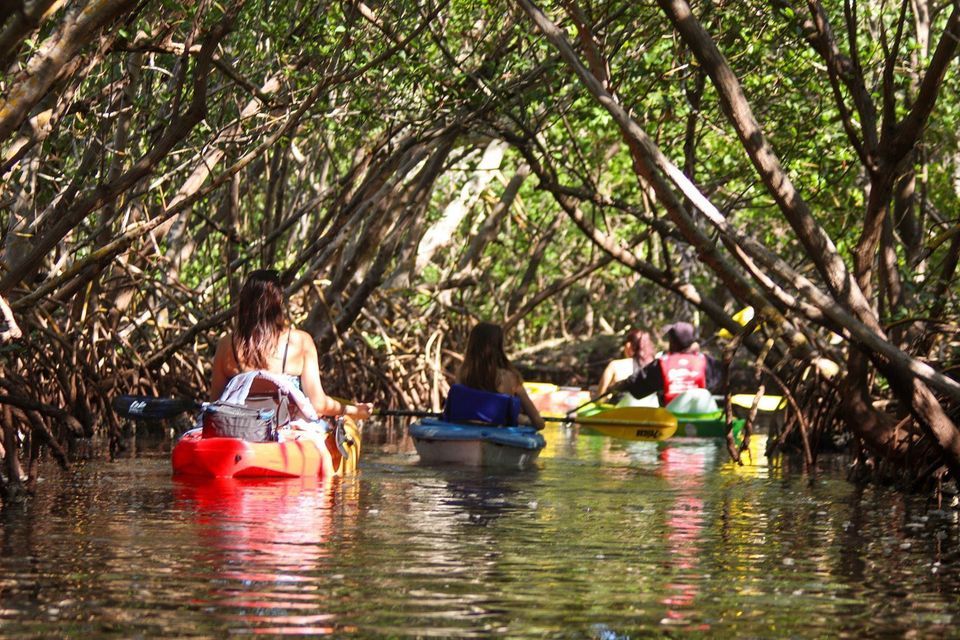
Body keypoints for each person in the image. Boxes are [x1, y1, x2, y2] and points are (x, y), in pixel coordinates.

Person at [210, 269, 372, 420]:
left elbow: (215, 404)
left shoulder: (226, 344)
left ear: (243, 304)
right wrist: (353, 410)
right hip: (283, 433)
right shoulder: (301, 342)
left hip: (237, 429)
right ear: (279, 302)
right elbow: (318, 404)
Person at [455, 322, 545, 430]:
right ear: (499, 347)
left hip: (468, 432)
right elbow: (539, 423)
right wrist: (526, 420)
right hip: (500, 436)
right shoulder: (511, 378)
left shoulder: (462, 373)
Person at [612, 322, 724, 408]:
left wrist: (618, 387)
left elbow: (637, 386)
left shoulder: (662, 363)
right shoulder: (706, 361)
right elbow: (720, 380)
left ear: (673, 343)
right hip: (705, 412)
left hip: (675, 417)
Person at [595, 328, 655, 399]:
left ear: (628, 345)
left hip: (622, 408)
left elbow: (600, 398)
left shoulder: (615, 366)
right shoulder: (654, 367)